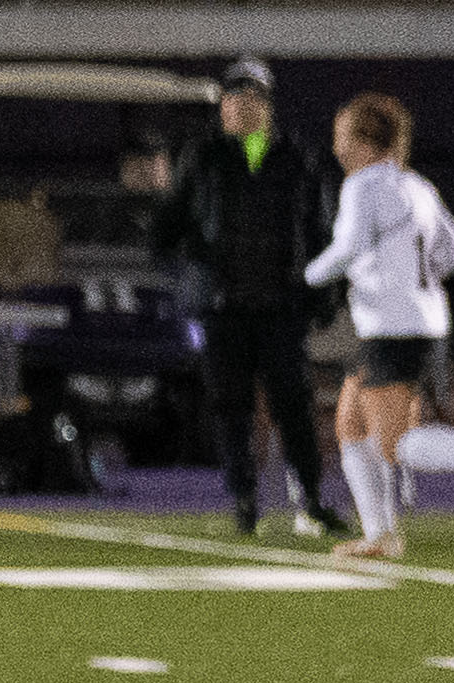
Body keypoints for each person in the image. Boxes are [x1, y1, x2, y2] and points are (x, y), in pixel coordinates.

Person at [306, 92, 454, 560]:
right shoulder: (416, 185)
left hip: (390, 329)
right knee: (351, 423)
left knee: (395, 444)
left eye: (343, 136)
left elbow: (348, 248)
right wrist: (410, 280)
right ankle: (380, 536)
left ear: (366, 142)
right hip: (424, 322)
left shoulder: (363, 185)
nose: (336, 147)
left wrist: (304, 277)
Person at [151, 57, 346, 539]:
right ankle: (243, 500)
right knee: (230, 409)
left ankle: (311, 499)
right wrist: (192, 278)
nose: (241, 105)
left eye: (252, 96)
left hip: (281, 307)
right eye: (234, 96)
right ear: (222, 104)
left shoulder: (297, 157)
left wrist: (323, 297)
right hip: (224, 309)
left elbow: (322, 230)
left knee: (294, 407)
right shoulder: (202, 158)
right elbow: (165, 231)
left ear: (268, 104)